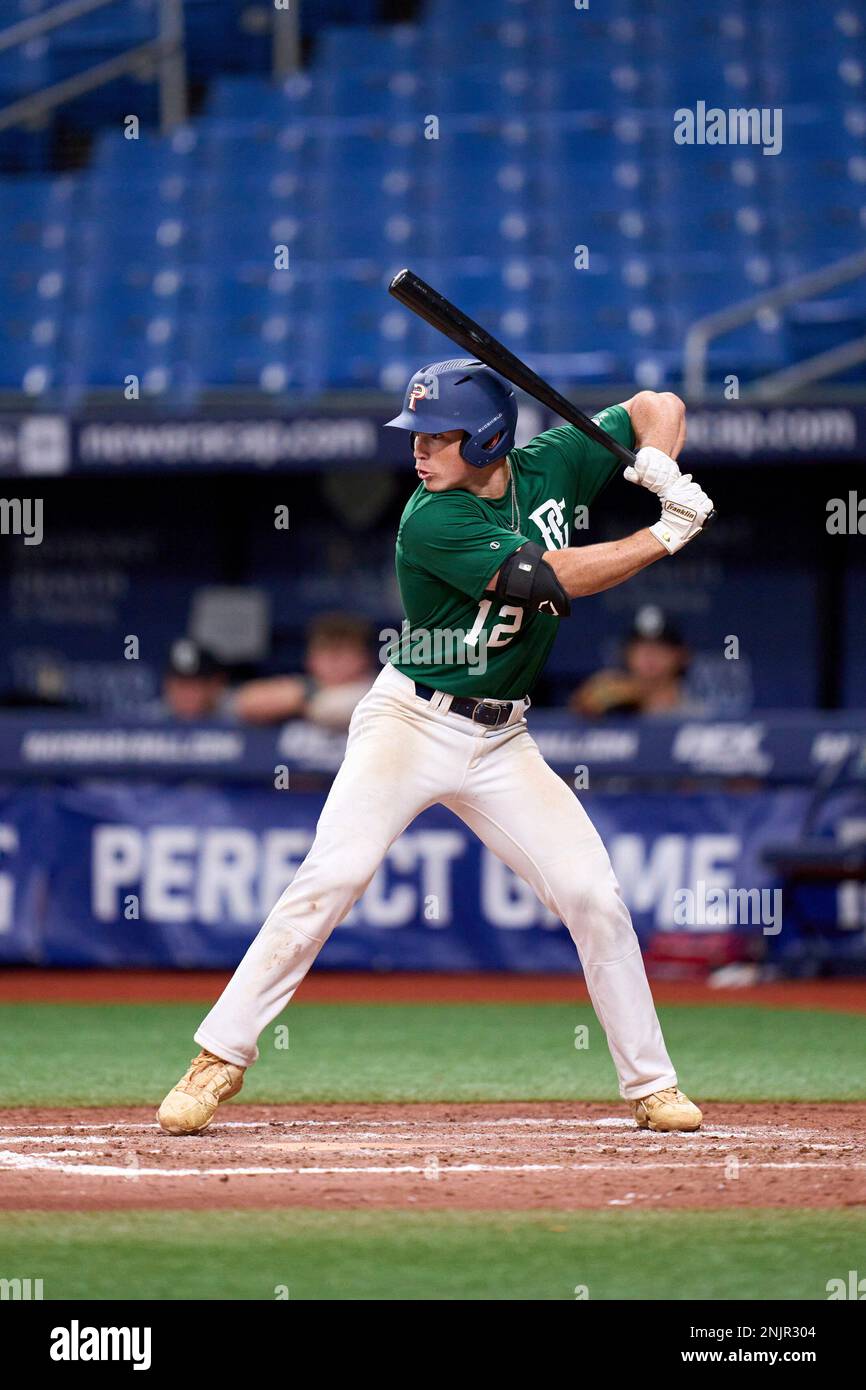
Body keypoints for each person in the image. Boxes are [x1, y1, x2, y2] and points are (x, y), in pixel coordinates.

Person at [157, 359, 713, 1137]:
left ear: (487, 438)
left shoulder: (554, 464)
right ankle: (217, 1057)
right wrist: (665, 532)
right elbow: (553, 577)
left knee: (593, 895)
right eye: (414, 436)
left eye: (436, 436)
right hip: (410, 722)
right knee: (333, 874)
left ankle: (653, 1085)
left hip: (504, 736)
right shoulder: (430, 519)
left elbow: (660, 402)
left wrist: (657, 462)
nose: (417, 451)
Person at [232, 612, 376, 731]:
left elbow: (332, 710)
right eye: (324, 650)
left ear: (366, 657)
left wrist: (296, 702)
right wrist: (306, 695)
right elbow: (244, 702)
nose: (334, 660)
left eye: (344, 651)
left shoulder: (379, 689)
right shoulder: (307, 686)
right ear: (310, 659)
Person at [570, 605, 698, 718]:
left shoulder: (696, 703)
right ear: (626, 654)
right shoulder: (613, 701)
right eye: (640, 646)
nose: (650, 653)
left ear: (681, 655)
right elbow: (577, 713)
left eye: (661, 646)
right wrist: (588, 702)